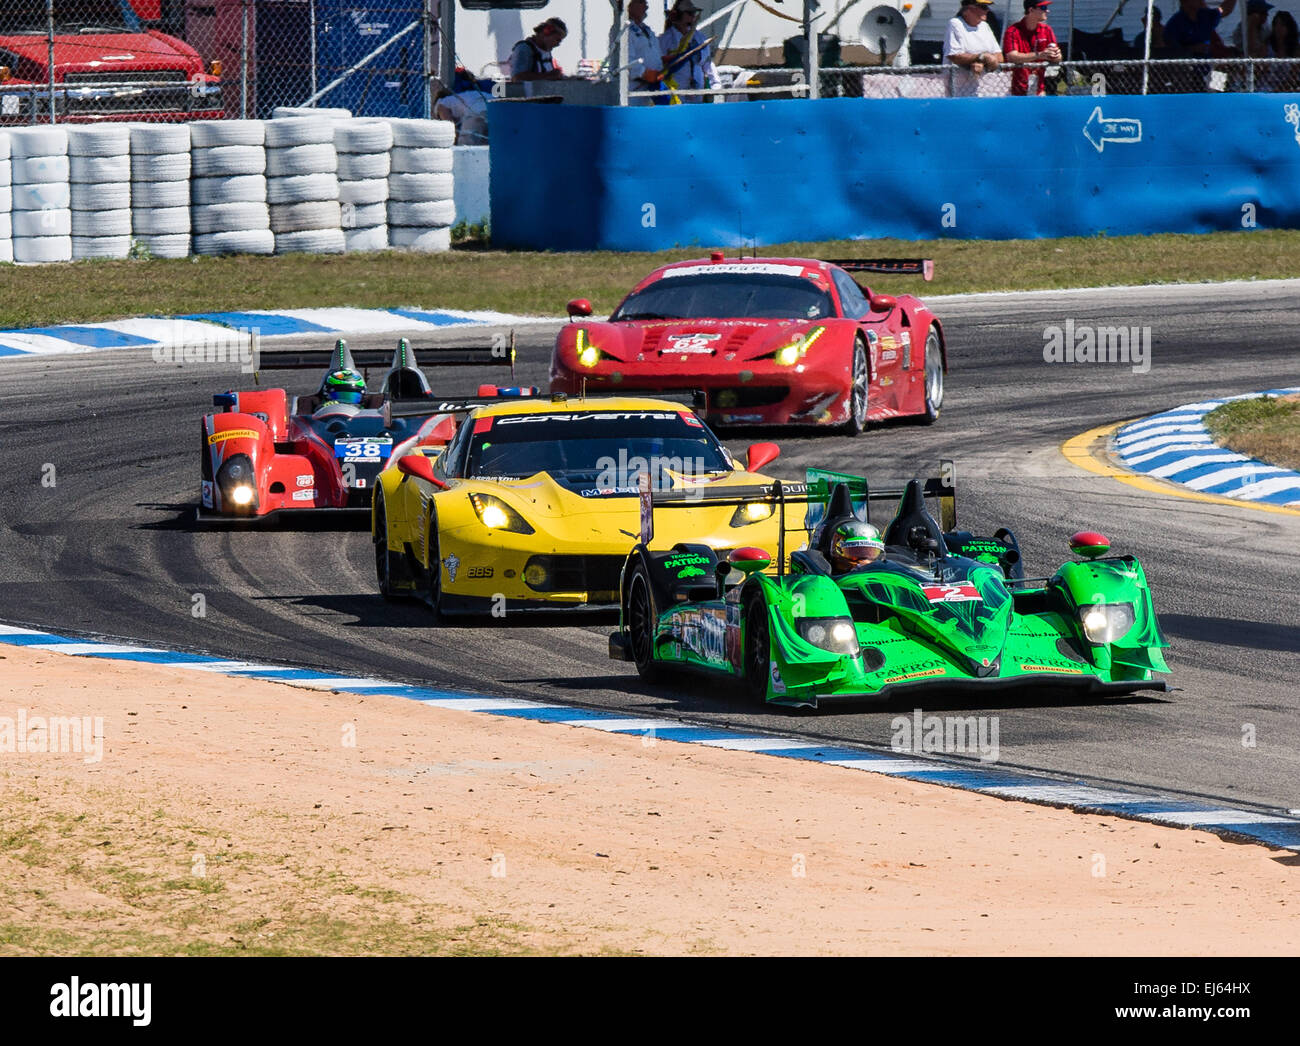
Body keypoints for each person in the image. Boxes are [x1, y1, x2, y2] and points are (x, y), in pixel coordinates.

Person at [660, 0, 721, 103]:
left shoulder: (700, 38)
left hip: (697, 91)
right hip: (676, 93)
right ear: (678, 16)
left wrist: (716, 84)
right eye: (689, 14)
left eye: (694, 14)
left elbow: (707, 63)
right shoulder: (665, 40)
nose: (693, 17)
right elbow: (659, 66)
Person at [942, 0, 1005, 97]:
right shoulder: (955, 24)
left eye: (988, 7)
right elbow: (953, 55)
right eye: (983, 7)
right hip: (959, 90)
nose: (987, 10)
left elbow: (999, 57)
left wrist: (982, 62)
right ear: (967, 9)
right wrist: (981, 57)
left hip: (985, 90)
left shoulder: (985, 26)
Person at [1002, 0, 1062, 95]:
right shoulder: (1013, 31)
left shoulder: (1047, 30)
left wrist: (1056, 55)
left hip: (1039, 88)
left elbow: (1058, 58)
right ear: (1031, 10)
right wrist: (1039, 55)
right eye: (1043, 8)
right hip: (1015, 89)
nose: (1047, 11)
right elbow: (1012, 56)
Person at [624, 0, 665, 103]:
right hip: (633, 91)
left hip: (653, 89)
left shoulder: (647, 30)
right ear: (629, 5)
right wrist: (644, 73)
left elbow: (656, 55)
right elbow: (625, 61)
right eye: (641, 2)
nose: (646, 7)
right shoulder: (624, 30)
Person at [1164, 0, 1237, 55]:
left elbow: (1224, 10)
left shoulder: (1205, 15)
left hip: (1206, 67)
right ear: (1185, 2)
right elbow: (1171, 50)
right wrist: (1193, 49)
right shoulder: (1174, 24)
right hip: (1185, 68)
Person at [510, 17, 567, 82]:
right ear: (546, 32)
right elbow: (517, 77)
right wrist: (549, 76)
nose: (558, 44)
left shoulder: (546, 51)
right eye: (557, 40)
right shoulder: (524, 49)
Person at [1265, 9, 1300, 89]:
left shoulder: (1296, 48)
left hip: (1290, 86)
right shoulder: (1267, 47)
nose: (1278, 28)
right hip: (1269, 86)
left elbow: (1294, 75)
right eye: (1276, 24)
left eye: (1282, 25)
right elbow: (1262, 71)